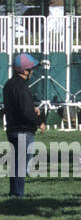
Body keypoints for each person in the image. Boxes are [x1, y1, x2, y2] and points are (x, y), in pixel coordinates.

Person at [4, 54, 43, 197]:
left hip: (12, 129)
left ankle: (14, 193)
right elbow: (26, 111)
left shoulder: (9, 84)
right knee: (22, 165)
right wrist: (39, 122)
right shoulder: (23, 87)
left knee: (16, 164)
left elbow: (18, 107)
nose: (32, 72)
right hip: (24, 131)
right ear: (25, 71)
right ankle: (18, 194)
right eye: (31, 69)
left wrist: (31, 109)